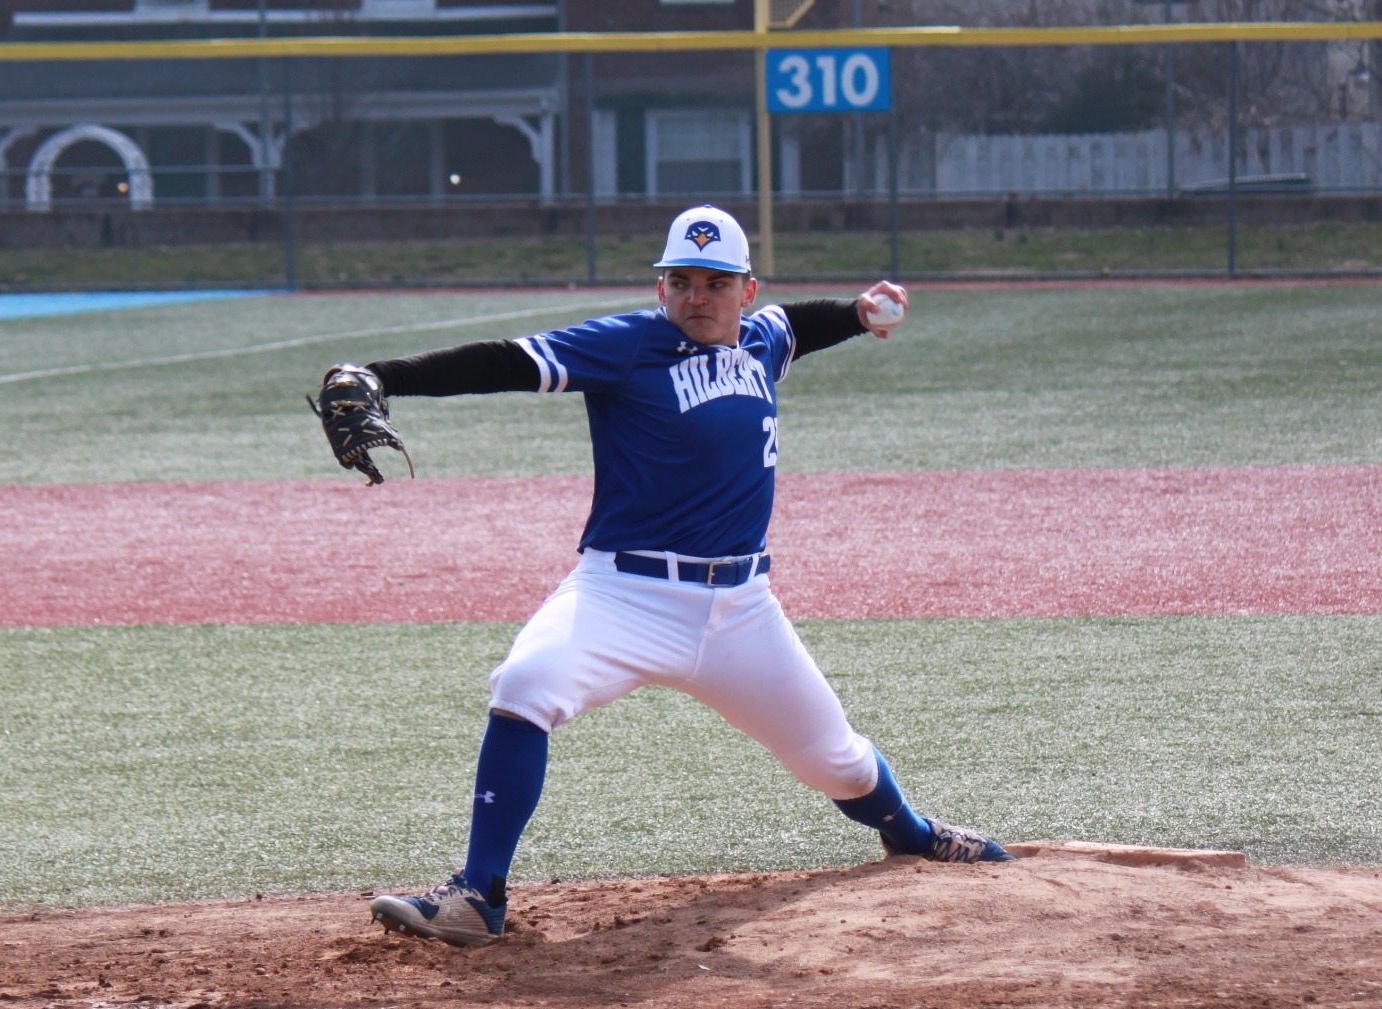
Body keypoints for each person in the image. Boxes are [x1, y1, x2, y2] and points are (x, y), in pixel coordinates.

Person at [320, 204, 1012, 950]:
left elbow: (800, 325)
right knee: (525, 684)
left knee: (837, 761)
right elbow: (505, 362)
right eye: (680, 281)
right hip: (625, 595)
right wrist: (385, 377)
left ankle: (910, 834)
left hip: (743, 610)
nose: (696, 297)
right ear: (661, 289)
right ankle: (478, 894)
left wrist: (857, 314)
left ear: (746, 292)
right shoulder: (627, 345)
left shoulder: (762, 340)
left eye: (716, 283)